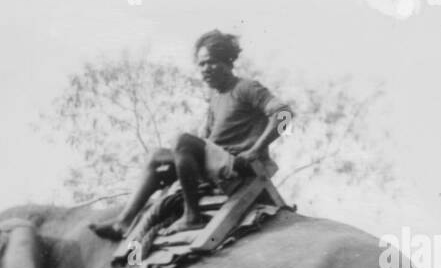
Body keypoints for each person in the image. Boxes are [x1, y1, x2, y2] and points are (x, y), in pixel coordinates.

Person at [91, 30, 293, 240]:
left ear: (228, 62)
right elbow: (208, 141)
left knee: (183, 141)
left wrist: (255, 150)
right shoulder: (216, 98)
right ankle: (123, 222)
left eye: (210, 62)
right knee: (156, 156)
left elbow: (284, 114)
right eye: (201, 64)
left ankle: (192, 215)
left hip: (237, 164)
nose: (205, 69)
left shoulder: (245, 88)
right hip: (214, 164)